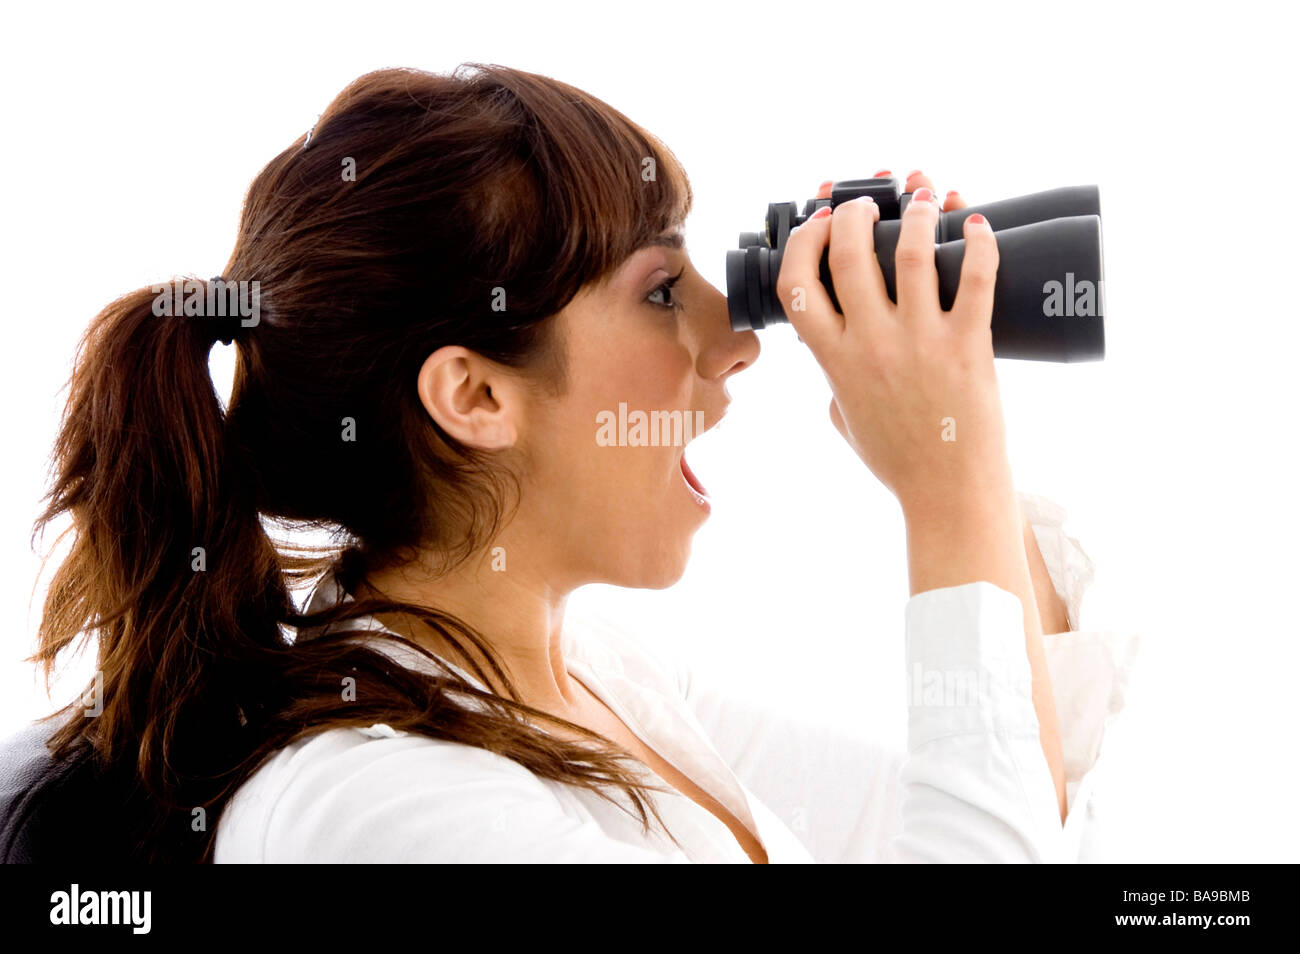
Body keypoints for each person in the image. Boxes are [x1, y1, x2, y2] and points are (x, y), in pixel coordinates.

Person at [28, 63, 1137, 864]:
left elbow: (1015, 821)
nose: (740, 341)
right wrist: (945, 479)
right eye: (662, 291)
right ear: (475, 395)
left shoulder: (597, 678)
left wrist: (957, 433)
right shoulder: (371, 802)